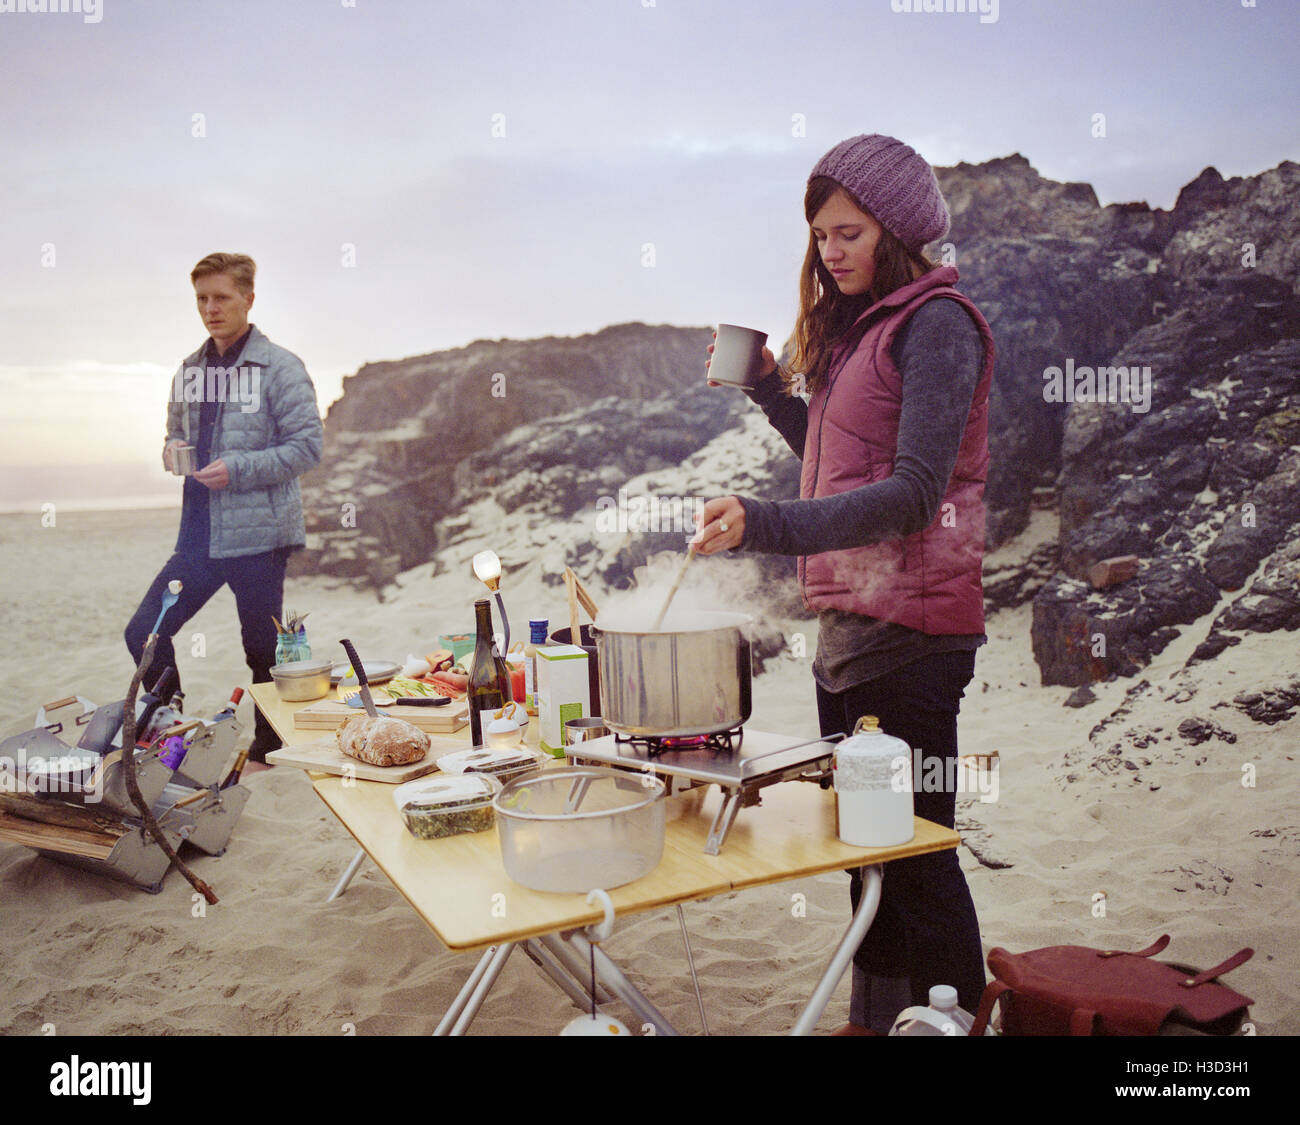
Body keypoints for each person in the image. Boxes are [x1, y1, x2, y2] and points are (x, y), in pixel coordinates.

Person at [694, 134, 995, 1034]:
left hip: (914, 635)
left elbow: (909, 497)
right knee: (868, 855)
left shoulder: (939, 326)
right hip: (850, 637)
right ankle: (880, 1021)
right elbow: (837, 468)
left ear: (897, 229)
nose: (830, 250)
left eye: (848, 231)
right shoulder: (863, 330)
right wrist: (767, 391)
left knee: (916, 852)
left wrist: (767, 523)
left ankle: (955, 1022)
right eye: (820, 234)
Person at [125, 252, 323, 764]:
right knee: (145, 633)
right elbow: (174, 431)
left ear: (248, 299)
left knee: (261, 649)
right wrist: (171, 448)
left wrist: (238, 468)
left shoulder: (280, 367)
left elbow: (307, 448)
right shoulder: (189, 370)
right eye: (202, 299)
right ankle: (171, 727)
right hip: (196, 535)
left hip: (259, 536)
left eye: (222, 298)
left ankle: (269, 745)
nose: (211, 309)